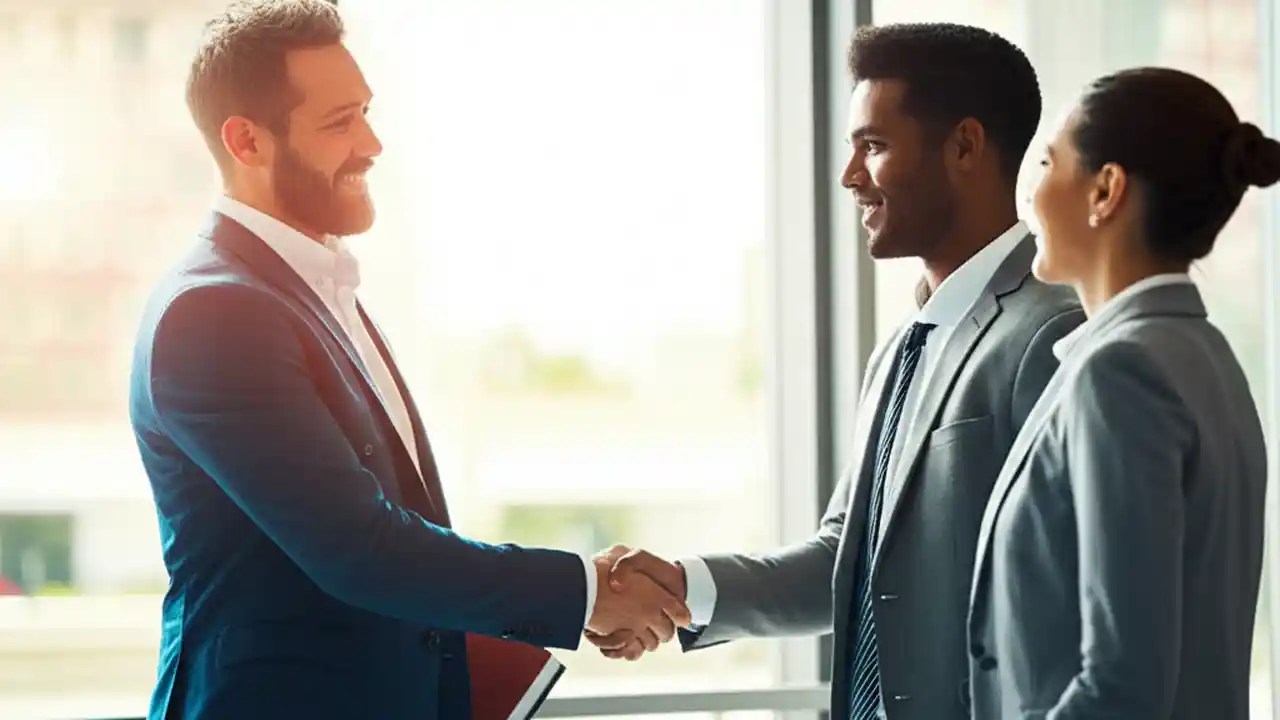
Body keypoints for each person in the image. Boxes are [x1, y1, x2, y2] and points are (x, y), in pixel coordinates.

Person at [128, 2, 687, 718]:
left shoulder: (317, 290)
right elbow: (360, 549)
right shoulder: (213, 315)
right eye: (339, 123)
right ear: (246, 141)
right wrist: (584, 591)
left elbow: (397, 533)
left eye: (365, 112)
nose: (371, 144)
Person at [589, 23, 1083, 720]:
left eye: (873, 146)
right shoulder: (899, 352)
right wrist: (678, 585)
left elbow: (1080, 604)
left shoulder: (1053, 334)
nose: (850, 176)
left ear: (965, 146)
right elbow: (847, 566)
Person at [967, 67, 1278, 719]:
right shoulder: (1208, 357)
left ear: (1105, 190)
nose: (1031, 195)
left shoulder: (1120, 374)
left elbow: (1122, 686)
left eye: (1048, 162)